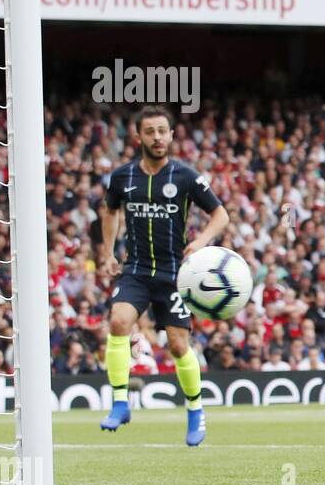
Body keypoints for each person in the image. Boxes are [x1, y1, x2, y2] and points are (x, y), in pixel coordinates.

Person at [98, 106, 229, 446]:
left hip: (174, 274)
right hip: (137, 270)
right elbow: (110, 210)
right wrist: (108, 251)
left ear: (171, 136)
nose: (157, 137)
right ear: (138, 136)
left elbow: (220, 214)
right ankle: (120, 402)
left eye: (163, 131)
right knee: (118, 321)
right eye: (151, 131)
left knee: (177, 344)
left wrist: (201, 240)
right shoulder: (123, 177)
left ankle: (196, 410)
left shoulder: (185, 177)